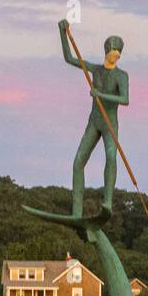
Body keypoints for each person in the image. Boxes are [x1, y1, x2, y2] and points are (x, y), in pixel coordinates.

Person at [59, 19, 129, 217]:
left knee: (111, 157)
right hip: (94, 122)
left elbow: (125, 99)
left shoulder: (122, 76)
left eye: (117, 55)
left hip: (110, 124)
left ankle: (107, 201)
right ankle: (76, 211)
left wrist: (101, 95)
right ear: (106, 52)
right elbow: (69, 58)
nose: (114, 57)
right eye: (112, 54)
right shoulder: (96, 69)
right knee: (78, 162)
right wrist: (62, 32)